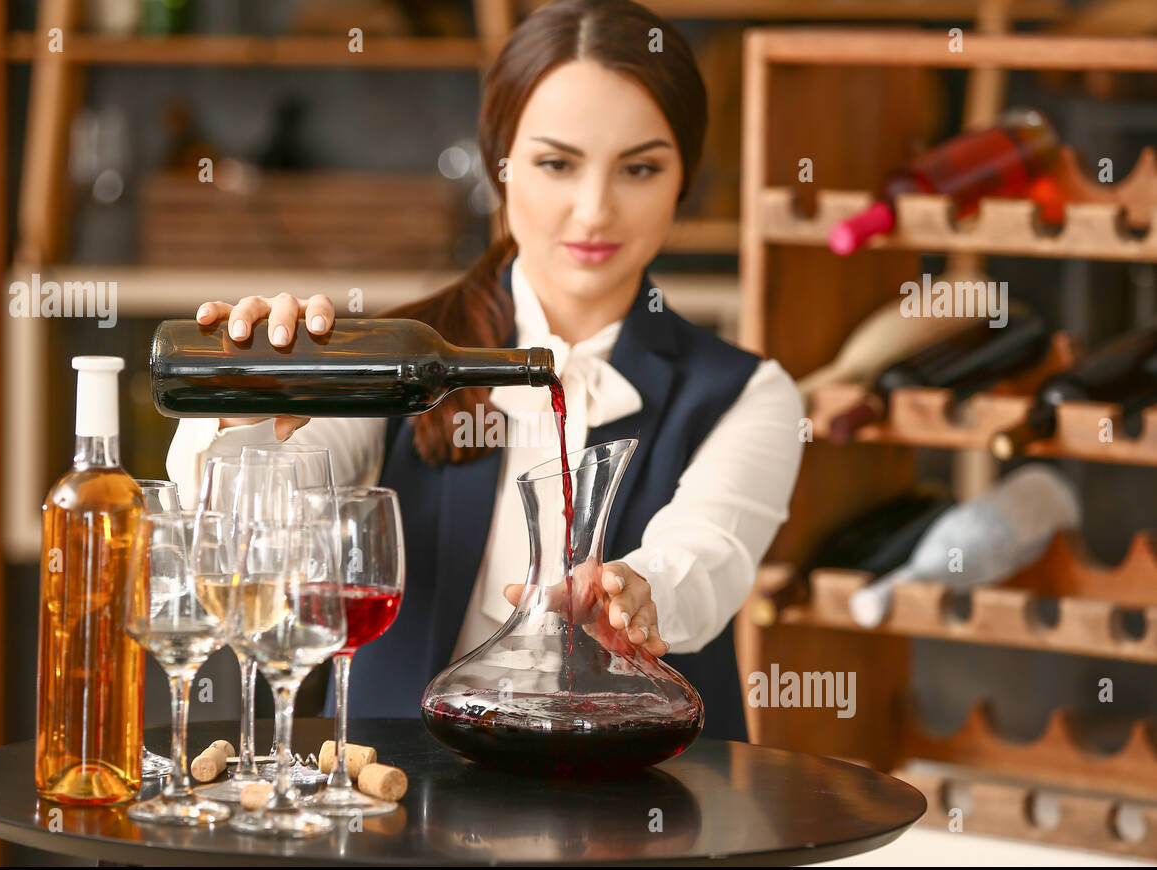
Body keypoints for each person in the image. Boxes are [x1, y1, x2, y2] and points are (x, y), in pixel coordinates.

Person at [167, 0, 803, 740]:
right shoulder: (398, 353)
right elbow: (262, 523)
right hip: (396, 811)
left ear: (684, 175)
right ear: (500, 162)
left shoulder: (747, 393)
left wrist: (639, 590)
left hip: (645, 822)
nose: (593, 210)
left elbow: (707, 558)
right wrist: (252, 412)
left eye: (640, 167)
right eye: (556, 163)